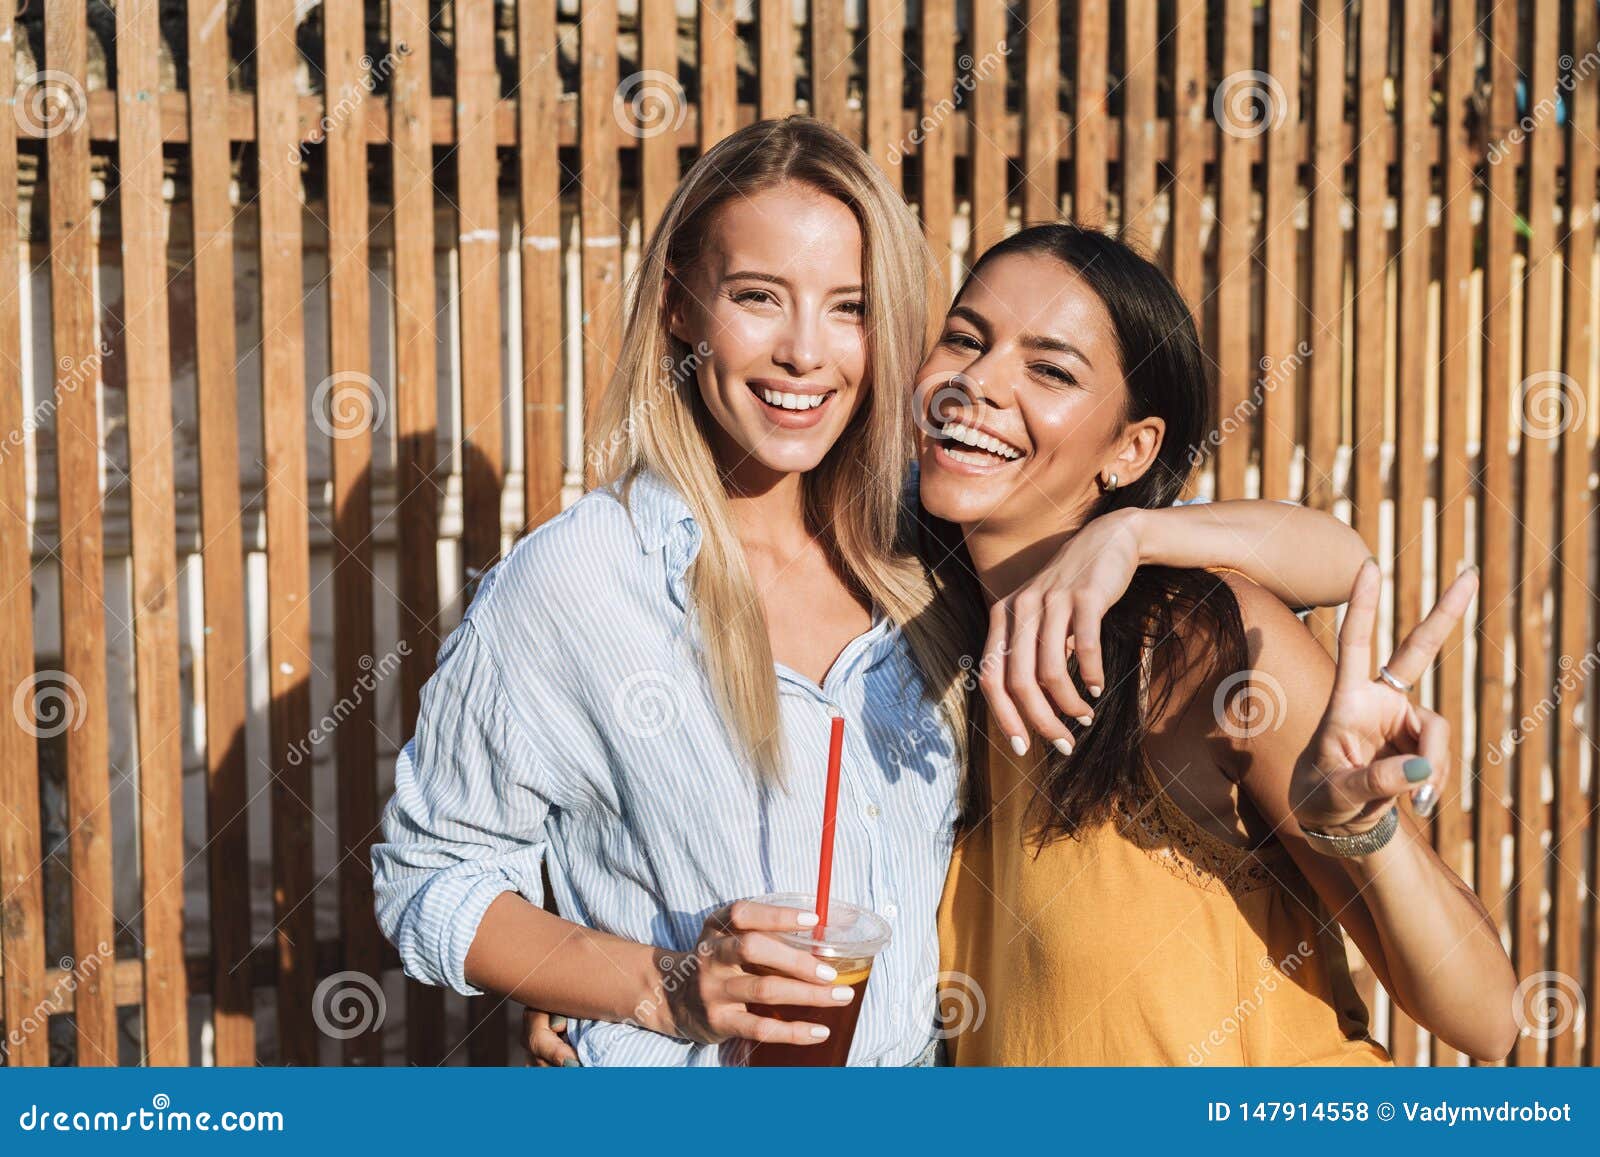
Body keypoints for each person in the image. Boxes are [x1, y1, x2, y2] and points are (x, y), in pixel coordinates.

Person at [371, 118, 1371, 1067]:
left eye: (847, 306)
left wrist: (1129, 532)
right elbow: (428, 874)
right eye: (759, 295)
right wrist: (648, 981)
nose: (806, 351)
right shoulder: (576, 581)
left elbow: (1331, 554)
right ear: (679, 303)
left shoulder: (936, 548)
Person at [924, 224, 1518, 1065]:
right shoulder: (920, 634)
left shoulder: (1193, 646)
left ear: (1130, 450)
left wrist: (1368, 836)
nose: (976, 381)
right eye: (965, 338)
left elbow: (1488, 1020)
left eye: (1049, 368)